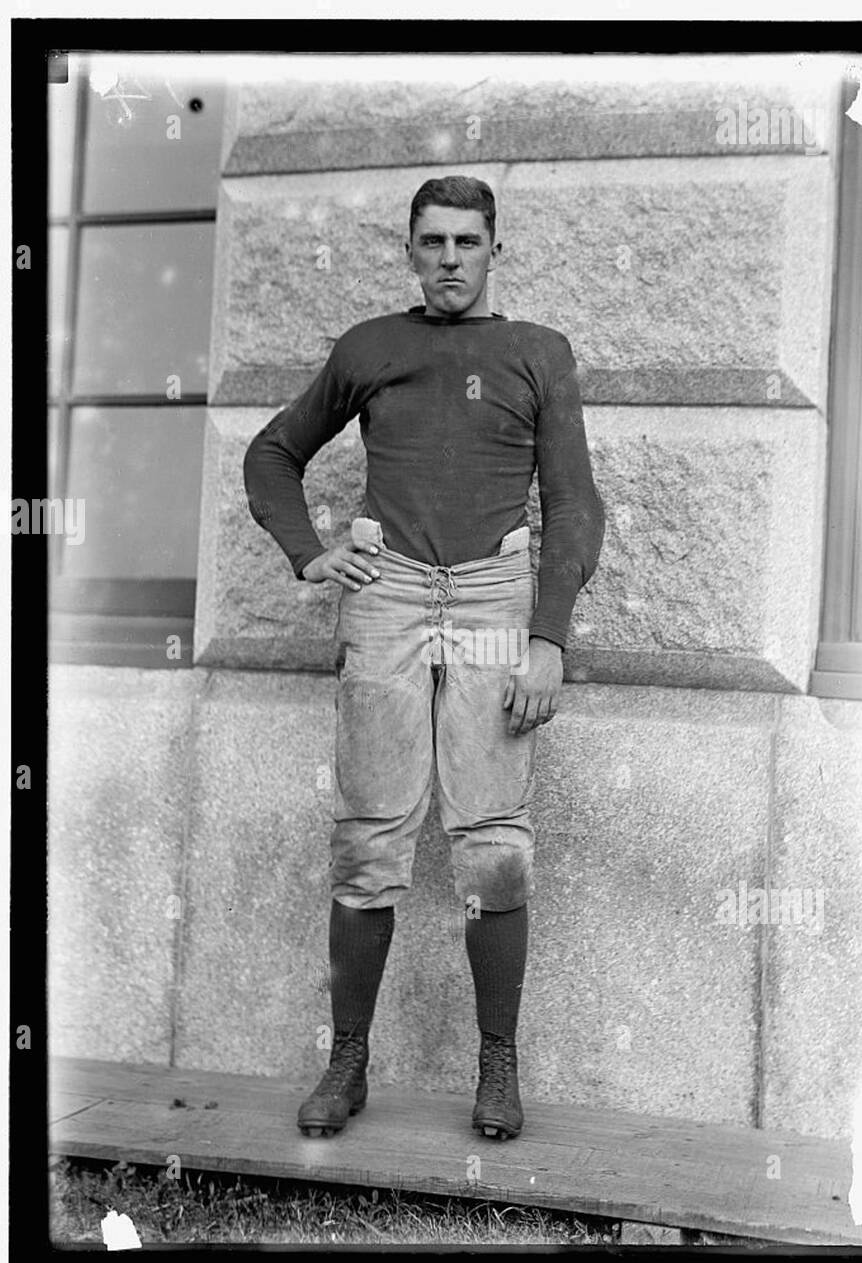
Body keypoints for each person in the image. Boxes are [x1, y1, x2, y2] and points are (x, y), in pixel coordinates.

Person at [243, 174, 604, 1141]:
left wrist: (547, 639)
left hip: (491, 594)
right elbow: (271, 453)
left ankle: (497, 1064)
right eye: (432, 241)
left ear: (496, 250)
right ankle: (347, 1061)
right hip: (389, 593)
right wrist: (310, 551)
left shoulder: (537, 353)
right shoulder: (371, 347)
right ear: (408, 250)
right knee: (367, 836)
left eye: (468, 242)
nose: (450, 258)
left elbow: (573, 502)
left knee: (491, 840)